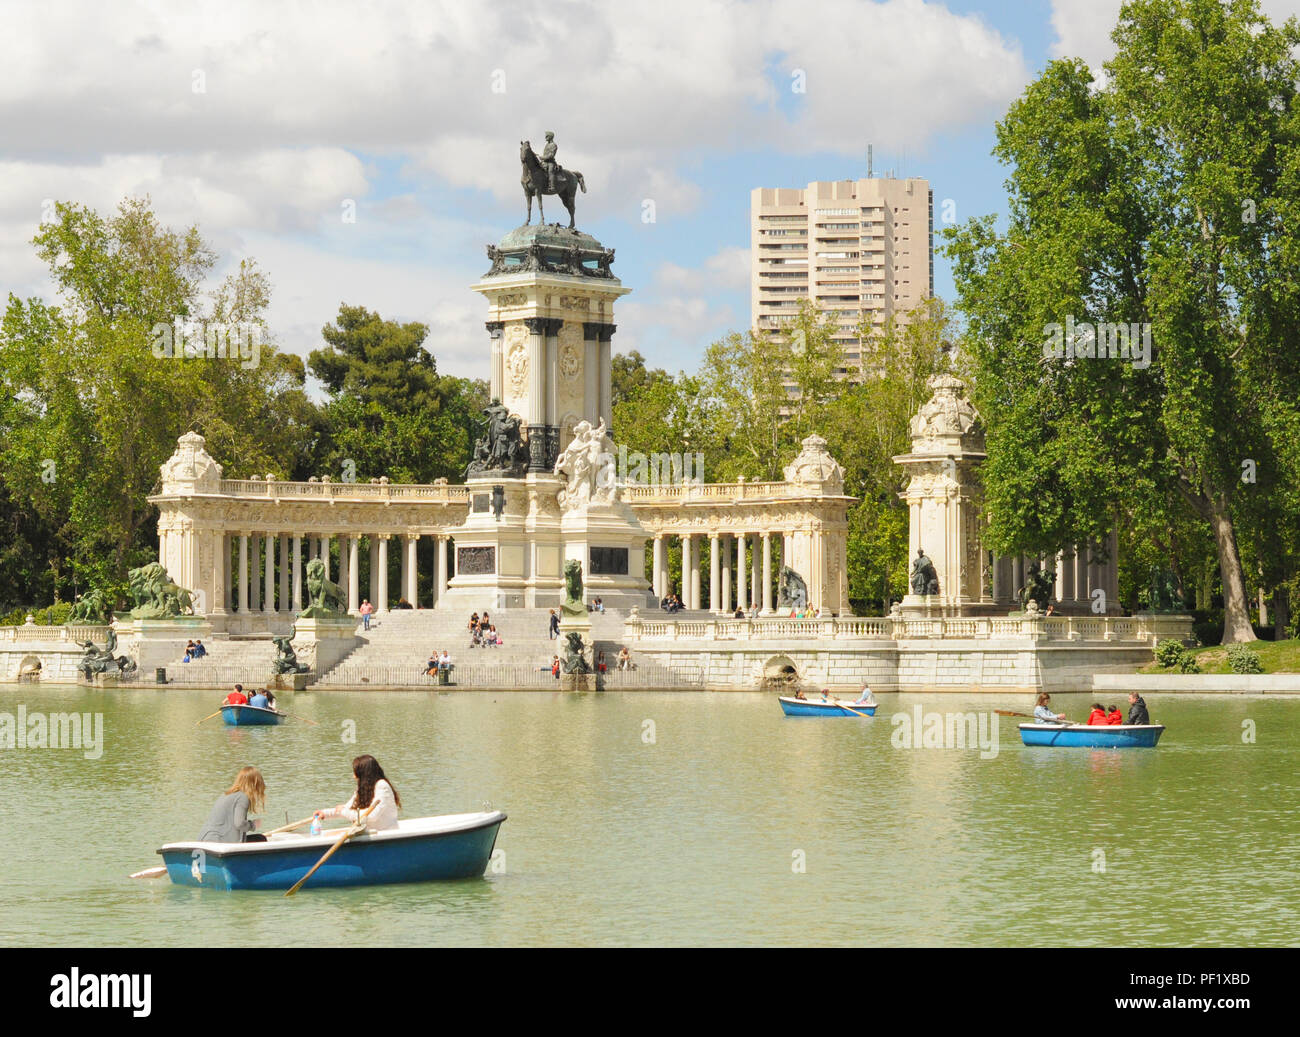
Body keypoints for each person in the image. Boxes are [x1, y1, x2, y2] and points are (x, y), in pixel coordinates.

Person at [316, 755, 401, 833]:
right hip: (369, 833)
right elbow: (348, 808)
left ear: (364, 774)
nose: (354, 776)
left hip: (384, 834)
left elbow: (372, 816)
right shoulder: (363, 789)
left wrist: (343, 812)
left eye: (356, 773)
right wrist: (325, 814)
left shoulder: (382, 786)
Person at [197, 766, 266, 843]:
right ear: (254, 784)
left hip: (203, 839)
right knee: (261, 839)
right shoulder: (242, 797)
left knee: (258, 838)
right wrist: (253, 825)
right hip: (217, 842)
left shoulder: (226, 794)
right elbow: (239, 824)